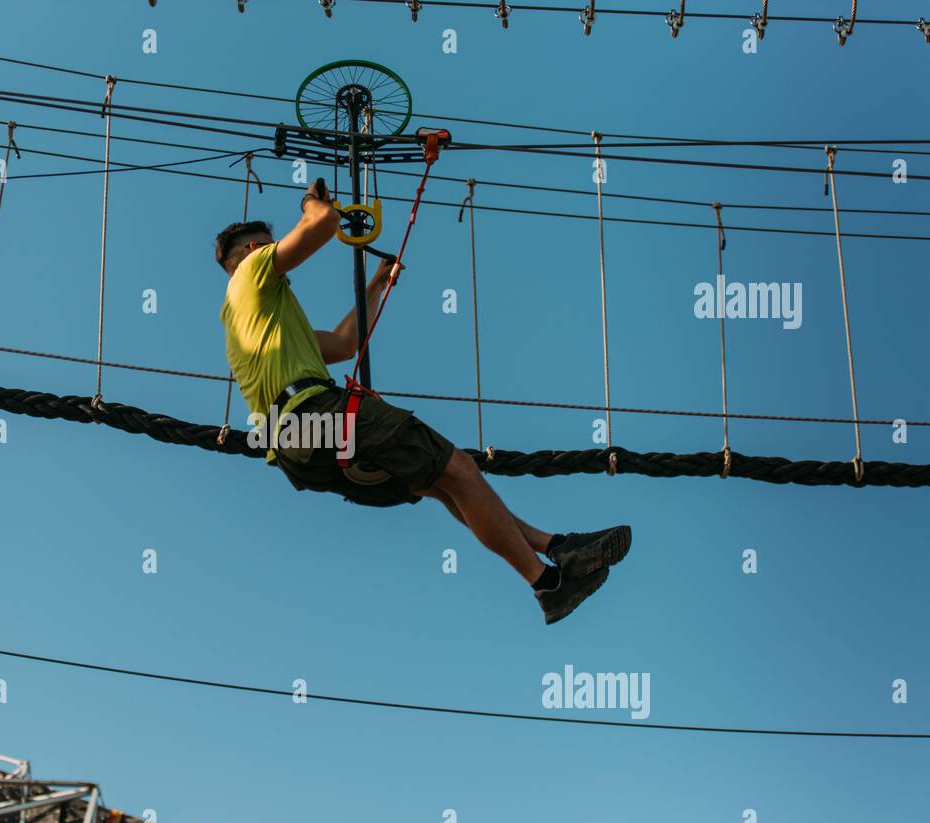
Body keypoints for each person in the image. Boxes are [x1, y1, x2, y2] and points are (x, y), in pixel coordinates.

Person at [215, 178, 630, 624]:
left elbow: (343, 342)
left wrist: (375, 285)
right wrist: (312, 203)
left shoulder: (260, 318)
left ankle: (556, 549)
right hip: (317, 414)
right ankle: (548, 584)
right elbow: (324, 223)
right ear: (256, 246)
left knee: (445, 482)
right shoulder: (253, 270)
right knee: (458, 468)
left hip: (296, 445)